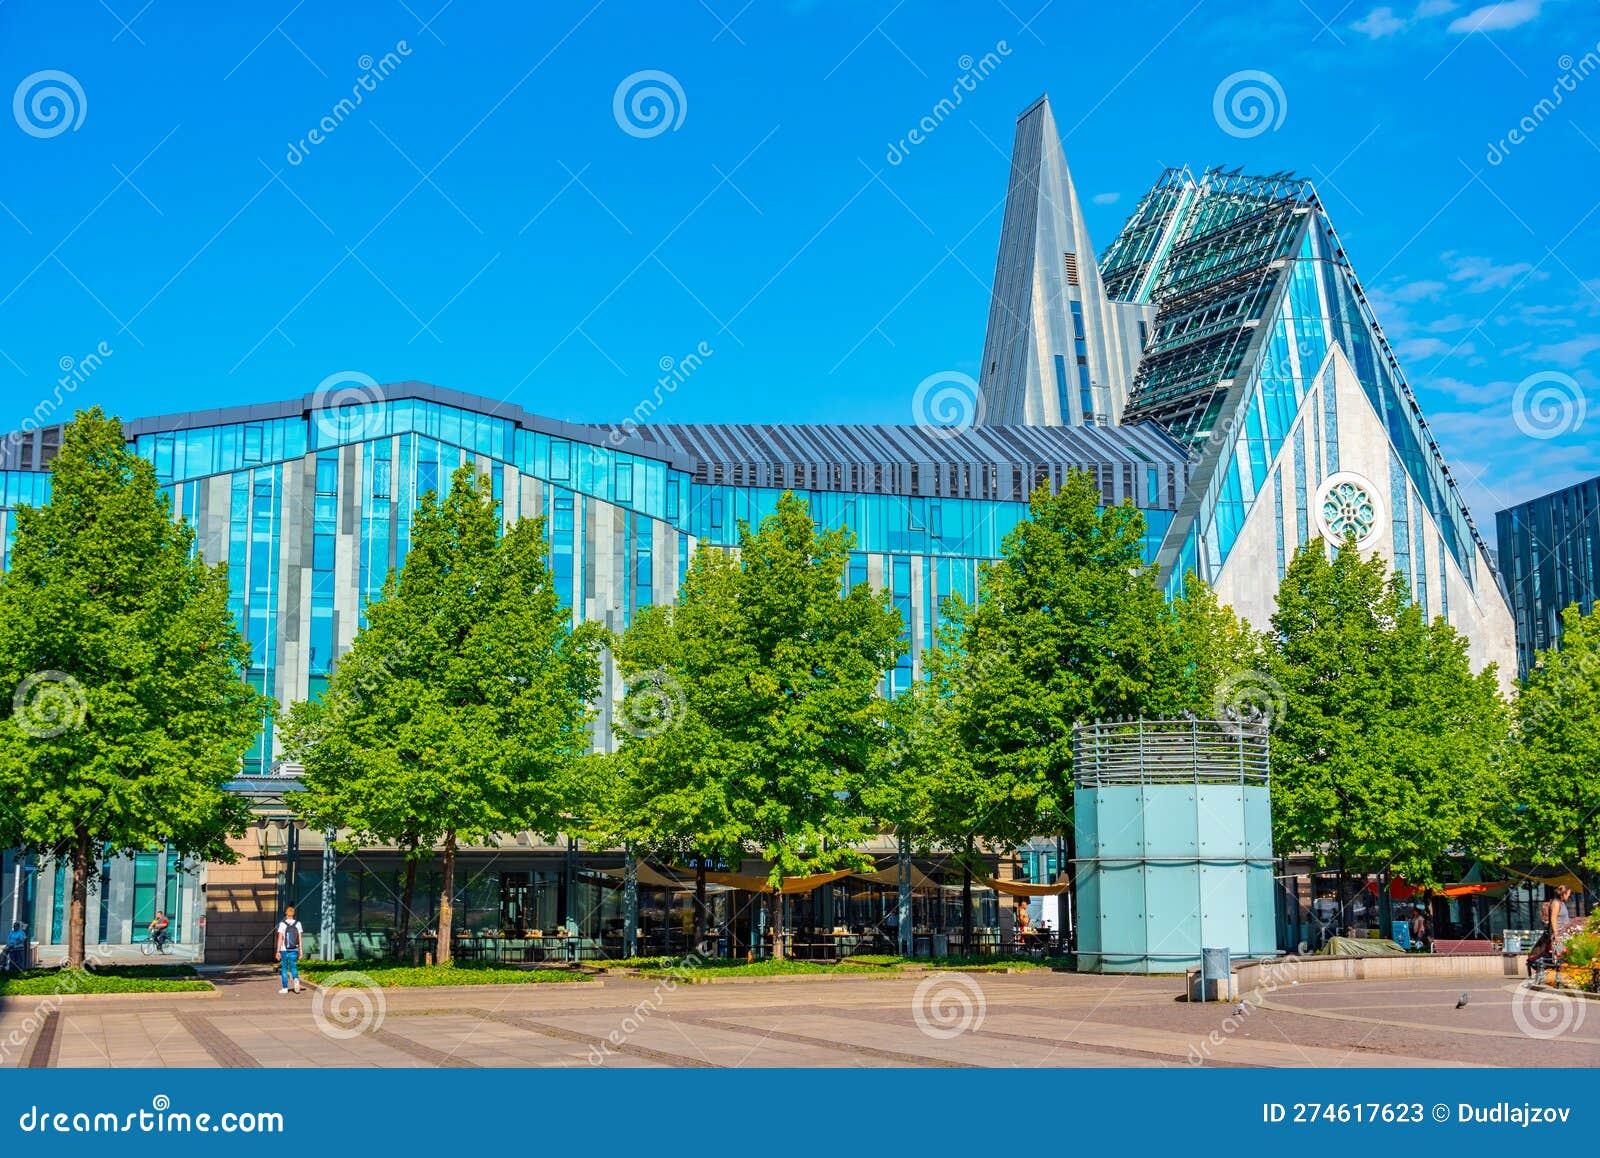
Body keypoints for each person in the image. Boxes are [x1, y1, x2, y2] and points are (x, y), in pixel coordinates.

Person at [276, 905, 304, 994]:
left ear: (286, 913)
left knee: (284, 968)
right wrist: (300, 950)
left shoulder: (282, 924)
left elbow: (280, 938)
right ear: (293, 914)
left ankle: (285, 988)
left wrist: (277, 951)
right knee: (293, 966)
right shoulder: (298, 923)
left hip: (284, 950)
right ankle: (295, 979)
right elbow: (299, 938)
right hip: (294, 949)